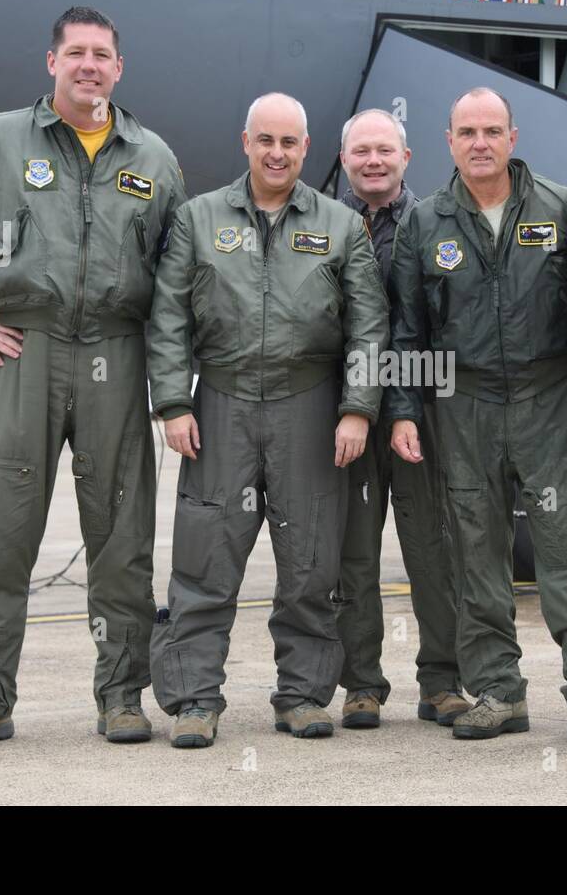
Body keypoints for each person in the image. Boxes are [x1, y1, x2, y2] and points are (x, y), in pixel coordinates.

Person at [0, 7, 185, 750]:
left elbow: (179, 282)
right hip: (25, 351)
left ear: (119, 69)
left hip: (118, 357)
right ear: (51, 62)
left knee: (123, 538)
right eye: (76, 53)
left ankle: (123, 697)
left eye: (103, 55)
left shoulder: (153, 158)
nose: (89, 65)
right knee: (0, 535)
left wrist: (171, 385)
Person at [147, 93, 389, 747]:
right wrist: (172, 401)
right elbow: (167, 315)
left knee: (310, 563)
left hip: (309, 407)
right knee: (205, 557)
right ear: (246, 142)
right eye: (266, 141)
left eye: (289, 142)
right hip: (219, 404)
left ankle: (304, 695)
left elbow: (369, 328)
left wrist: (357, 409)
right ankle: (196, 699)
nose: (277, 153)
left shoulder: (341, 227)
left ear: (305, 149)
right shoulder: (198, 220)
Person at [386, 87, 567, 748]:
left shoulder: (563, 208)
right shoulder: (426, 222)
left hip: (548, 399)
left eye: (493, 130)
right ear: (450, 141)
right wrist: (404, 411)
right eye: (468, 132)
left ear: (513, 138)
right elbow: (408, 331)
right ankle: (496, 692)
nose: (481, 143)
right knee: (474, 554)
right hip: (461, 406)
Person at [334, 109, 467, 730]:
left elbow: (437, 326)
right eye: (361, 151)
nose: (373, 161)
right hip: (348, 419)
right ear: (344, 160)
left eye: (384, 150)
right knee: (353, 555)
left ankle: (441, 681)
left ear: (407, 158)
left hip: (417, 415)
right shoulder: (323, 224)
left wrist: (407, 407)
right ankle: (361, 683)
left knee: (431, 551)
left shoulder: (433, 222)